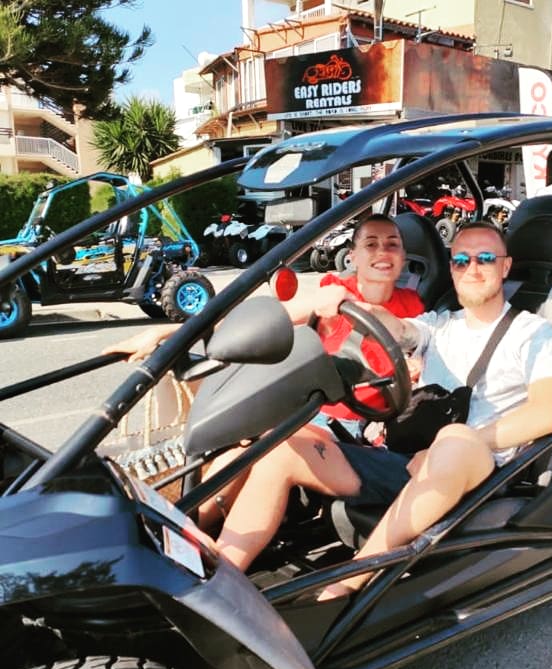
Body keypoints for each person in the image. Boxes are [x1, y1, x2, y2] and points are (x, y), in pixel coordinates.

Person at [206, 221, 552, 600]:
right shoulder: (438, 323)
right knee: (282, 449)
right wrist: (348, 304)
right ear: (451, 268)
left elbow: (549, 412)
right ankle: (218, 578)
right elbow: (395, 328)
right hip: (402, 459)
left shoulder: (531, 331)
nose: (473, 268)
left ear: (505, 267)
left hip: (475, 469)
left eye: (486, 258)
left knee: (454, 439)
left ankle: (349, 581)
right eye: (462, 260)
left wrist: (447, 446)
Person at [102, 214, 424, 523]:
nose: (382, 252)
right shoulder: (333, 294)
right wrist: (168, 334)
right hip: (313, 410)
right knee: (240, 445)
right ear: (351, 256)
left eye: (392, 244)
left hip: (362, 426)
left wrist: (415, 372)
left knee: (265, 445)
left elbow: (425, 364)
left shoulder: (414, 308)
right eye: (371, 244)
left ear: (403, 255)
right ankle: (178, 527)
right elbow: (264, 321)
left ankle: (183, 531)